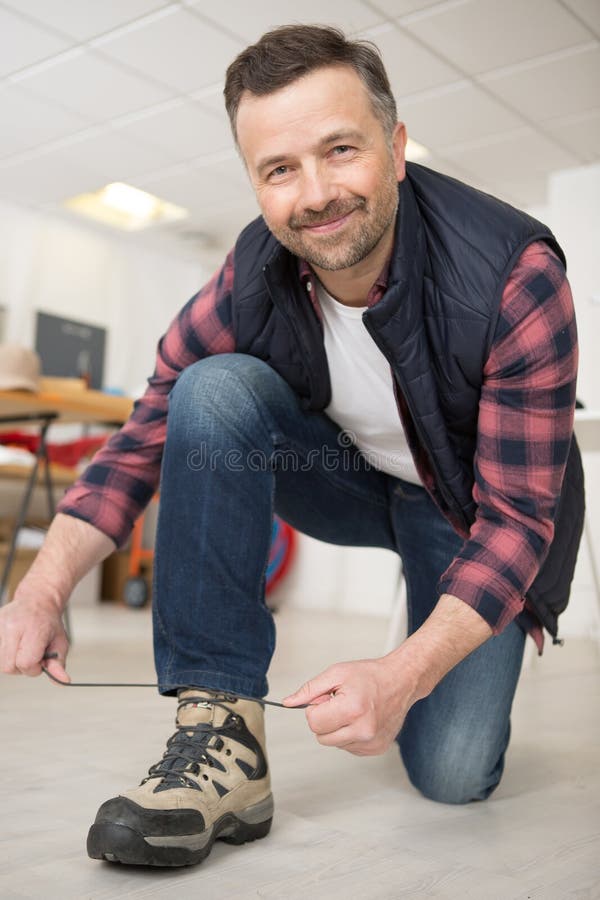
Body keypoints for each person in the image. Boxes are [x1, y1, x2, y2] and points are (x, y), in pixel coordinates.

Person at [0, 24, 584, 869]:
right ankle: (223, 734)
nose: (315, 194)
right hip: (344, 476)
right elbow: (140, 439)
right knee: (212, 390)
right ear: (255, 183)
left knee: (454, 774)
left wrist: (403, 673)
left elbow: (520, 520)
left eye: (340, 150)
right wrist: (41, 589)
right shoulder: (249, 275)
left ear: (395, 147)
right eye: (279, 169)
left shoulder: (513, 277)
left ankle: (437, 656)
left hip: (469, 512)